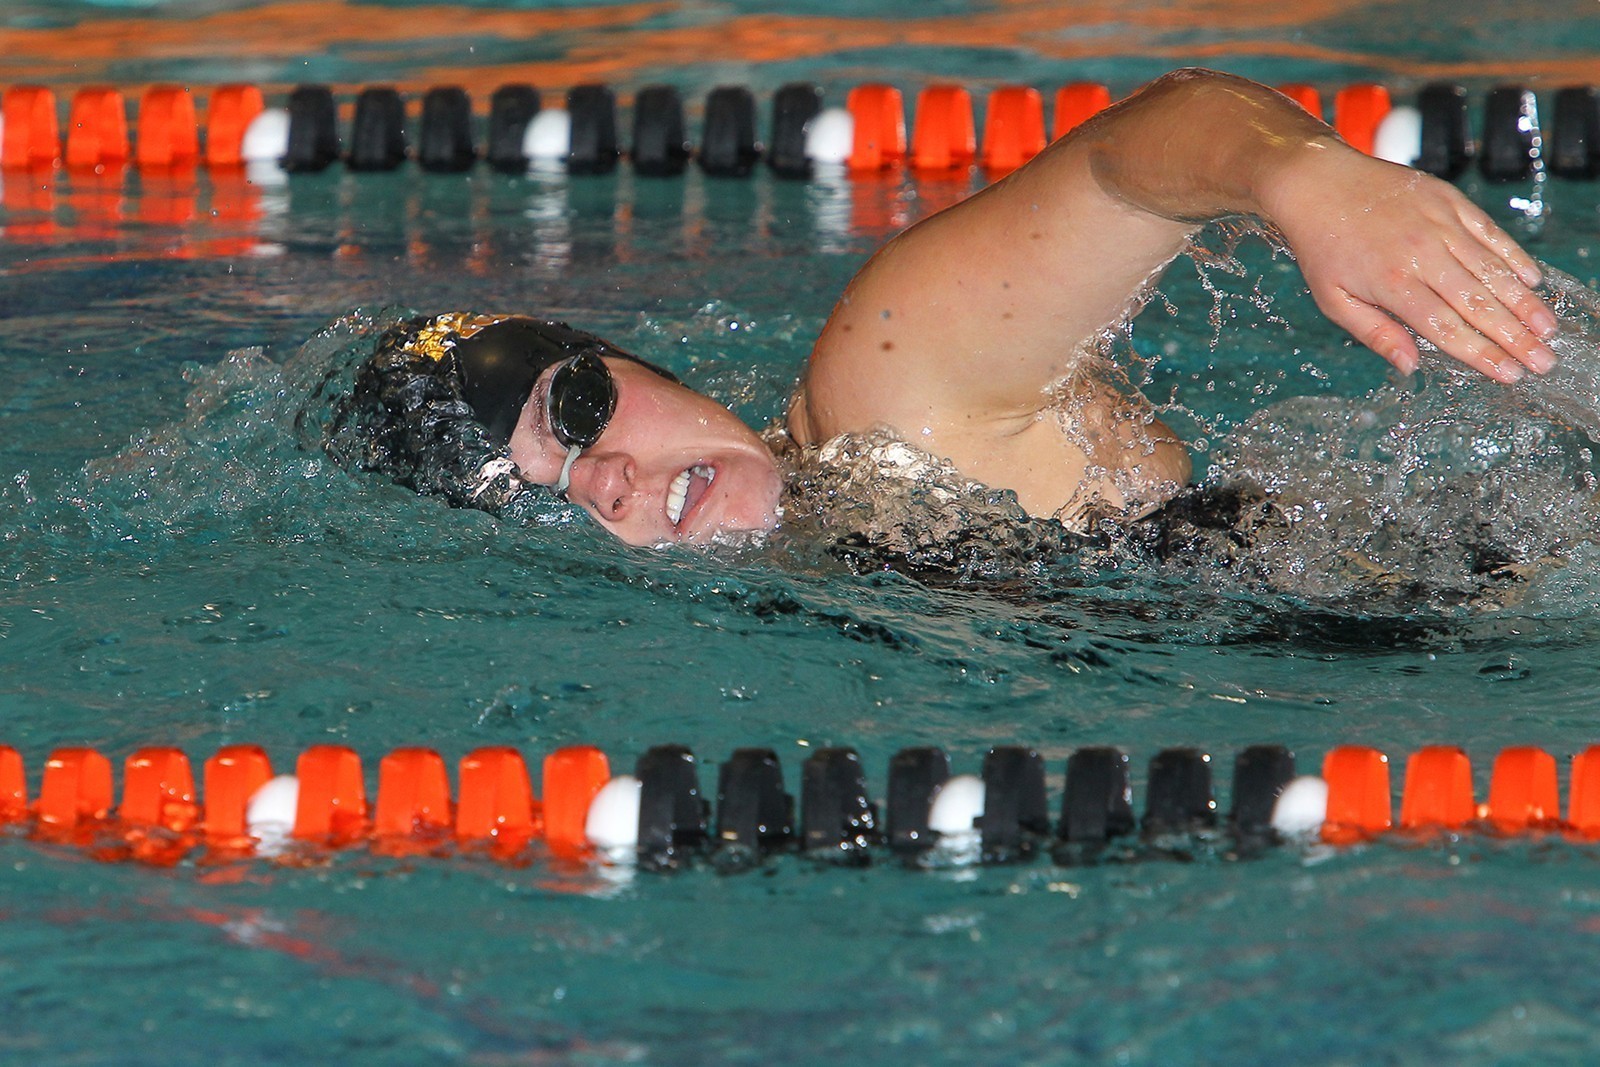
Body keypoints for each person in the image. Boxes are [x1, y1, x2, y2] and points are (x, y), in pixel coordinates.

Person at [328, 68, 1558, 552]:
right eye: (552, 503)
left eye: (578, 410)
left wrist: (1306, 178)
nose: (605, 476)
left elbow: (1130, 157)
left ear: (625, 358)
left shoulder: (885, 400)